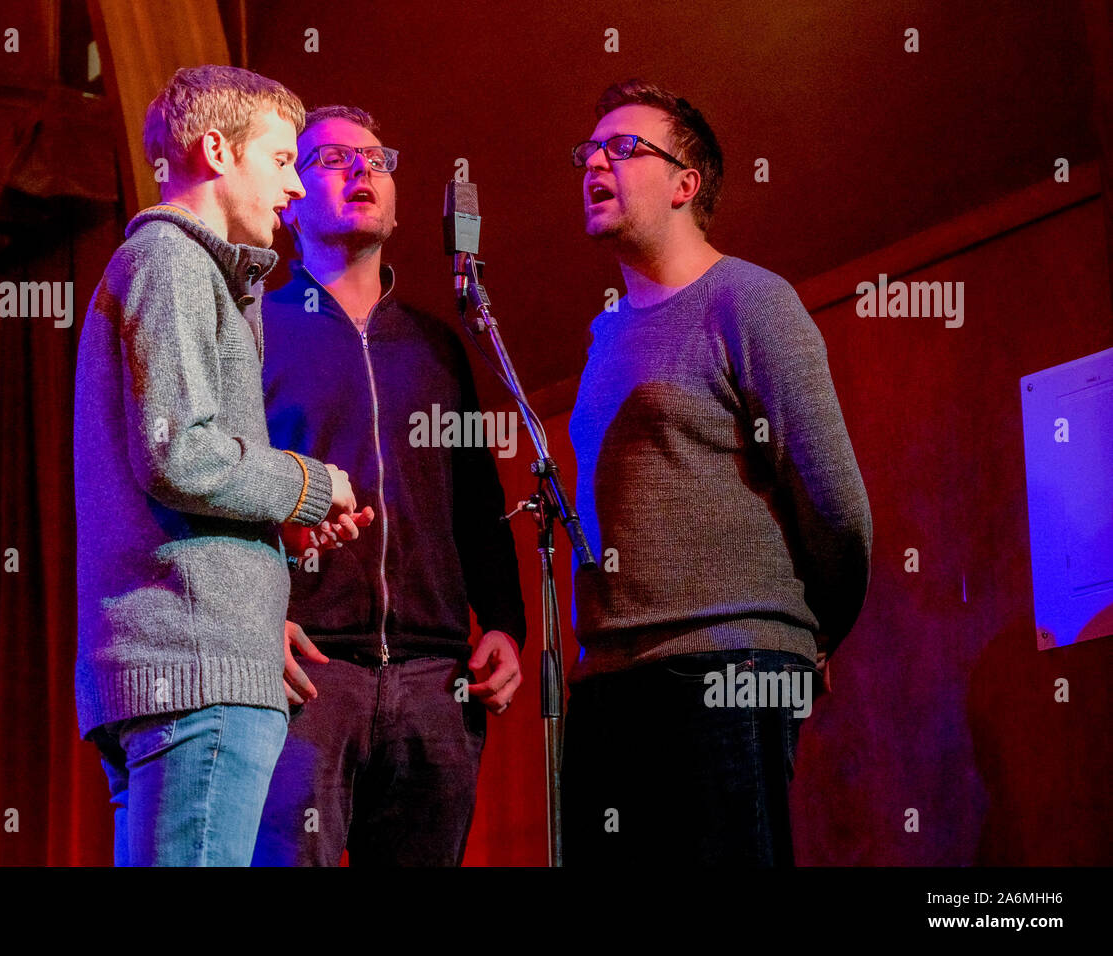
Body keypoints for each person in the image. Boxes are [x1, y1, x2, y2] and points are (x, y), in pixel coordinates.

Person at [561, 79, 873, 866]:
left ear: (685, 184)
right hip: (608, 679)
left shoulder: (749, 301)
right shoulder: (604, 336)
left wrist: (813, 633)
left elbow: (836, 505)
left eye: (624, 147)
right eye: (589, 150)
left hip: (730, 662)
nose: (597, 159)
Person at [73, 65, 369, 866]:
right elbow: (180, 453)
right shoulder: (171, 261)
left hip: (184, 662)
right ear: (215, 150)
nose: (296, 189)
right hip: (192, 671)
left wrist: (271, 535)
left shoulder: (190, 270)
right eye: (280, 160)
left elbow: (175, 472)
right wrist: (311, 485)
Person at [251, 105, 527, 866]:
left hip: (437, 682)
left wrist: (504, 621)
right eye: (333, 159)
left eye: (376, 158)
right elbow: (228, 493)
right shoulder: (256, 329)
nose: (362, 170)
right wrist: (253, 620)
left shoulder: (439, 343)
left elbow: (474, 501)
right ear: (292, 197)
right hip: (309, 675)